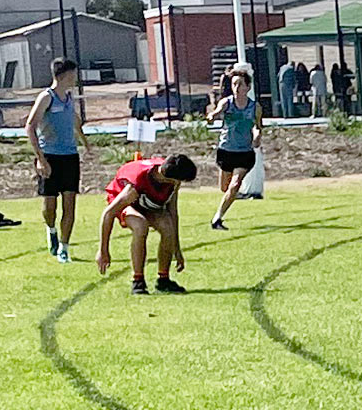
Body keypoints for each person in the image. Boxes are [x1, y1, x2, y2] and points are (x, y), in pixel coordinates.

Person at [96, 154, 197, 295]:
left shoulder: (172, 180)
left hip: (147, 202)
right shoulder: (137, 183)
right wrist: (103, 250)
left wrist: (177, 250)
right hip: (128, 201)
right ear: (171, 179)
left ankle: (163, 280)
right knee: (140, 226)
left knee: (167, 226)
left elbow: (172, 213)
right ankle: (138, 280)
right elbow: (108, 213)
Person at [24, 57, 90, 263]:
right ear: (63, 75)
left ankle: (64, 247)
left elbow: (74, 121)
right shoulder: (46, 97)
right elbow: (30, 126)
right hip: (50, 156)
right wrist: (40, 158)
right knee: (50, 207)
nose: (75, 78)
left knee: (70, 203)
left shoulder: (69, 98)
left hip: (70, 156)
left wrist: (85, 143)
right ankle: (51, 230)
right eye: (73, 74)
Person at [207, 69, 262, 230]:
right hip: (226, 150)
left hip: (245, 152)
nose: (236, 87)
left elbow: (258, 126)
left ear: (248, 87)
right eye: (234, 84)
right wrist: (212, 117)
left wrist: (257, 136)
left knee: (235, 184)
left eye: (240, 84)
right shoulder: (227, 103)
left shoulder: (255, 107)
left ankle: (217, 218)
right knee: (225, 188)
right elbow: (216, 112)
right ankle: (230, 197)